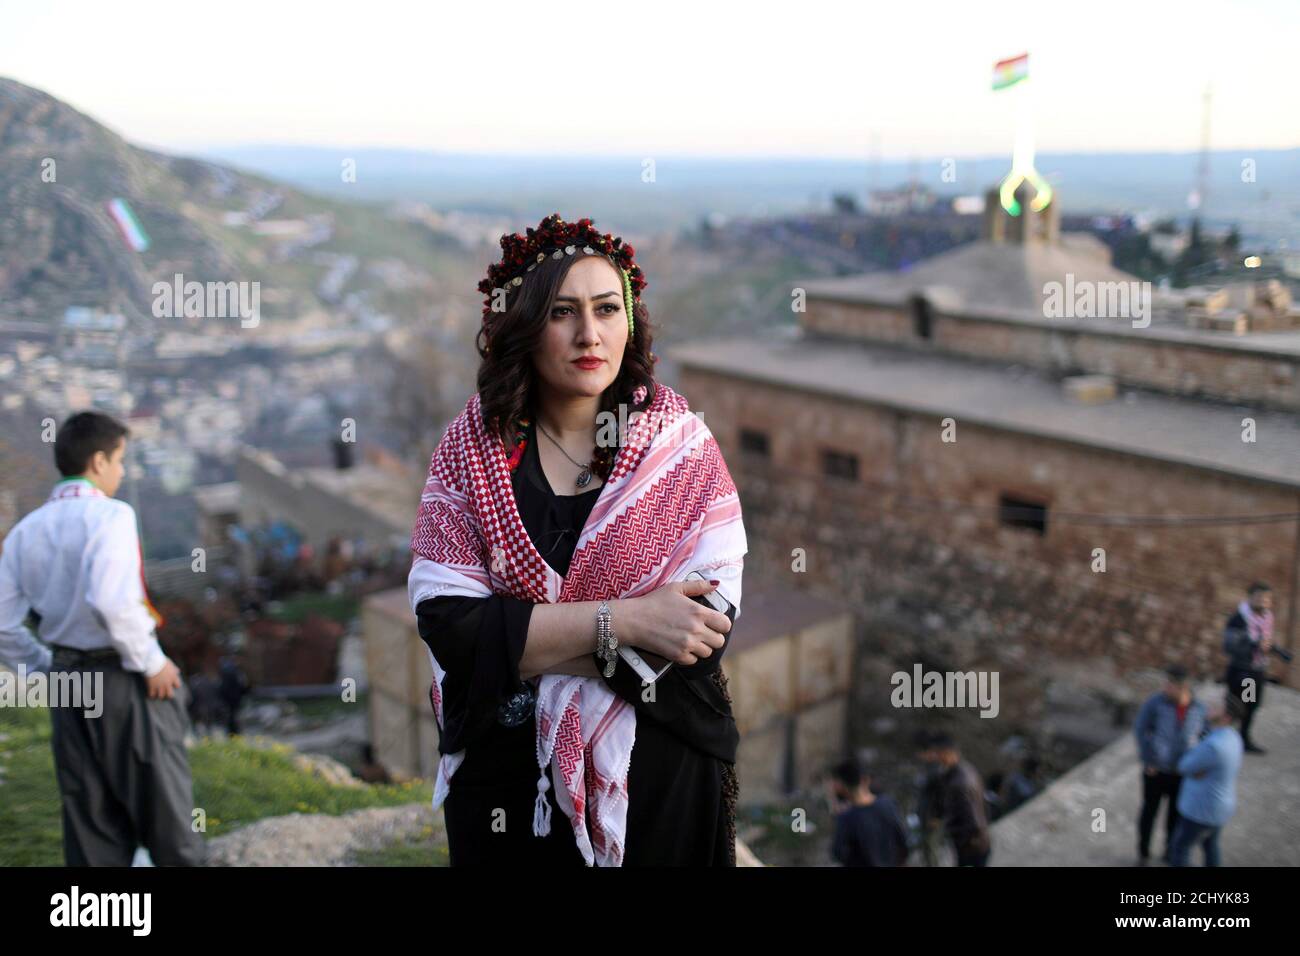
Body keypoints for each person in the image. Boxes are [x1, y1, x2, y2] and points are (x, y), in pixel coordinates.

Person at [407, 214, 748, 866]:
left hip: (662, 777)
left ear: (630, 320)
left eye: (606, 309)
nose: (589, 334)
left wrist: (519, 646)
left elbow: (699, 631)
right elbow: (449, 626)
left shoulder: (679, 447)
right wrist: (628, 620)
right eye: (562, 312)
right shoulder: (469, 451)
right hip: (511, 786)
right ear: (523, 325)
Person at [0, 411, 204, 866]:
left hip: (66, 679)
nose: (123, 471)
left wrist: (41, 669)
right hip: (121, 677)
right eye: (120, 460)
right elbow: (112, 603)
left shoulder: (23, 532)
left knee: (90, 821)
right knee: (166, 814)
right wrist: (152, 662)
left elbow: (3, 624)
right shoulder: (111, 516)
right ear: (97, 461)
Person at [1133, 664, 1206, 865]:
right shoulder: (1155, 704)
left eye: (1170, 685)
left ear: (1182, 687)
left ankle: (1168, 851)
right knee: (1149, 812)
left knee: (1175, 816)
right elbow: (1140, 729)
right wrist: (1148, 759)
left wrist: (1198, 764)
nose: (1165, 688)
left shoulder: (1198, 709)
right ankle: (1143, 852)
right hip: (1156, 770)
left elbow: (1204, 735)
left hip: (1182, 772)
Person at [1168, 699, 1244, 867]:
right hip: (1221, 806)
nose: (1210, 709)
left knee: (1180, 848)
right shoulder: (1234, 737)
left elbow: (1184, 766)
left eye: (1216, 708)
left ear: (1226, 718)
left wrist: (1195, 766)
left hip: (1202, 808)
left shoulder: (1213, 746)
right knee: (1210, 845)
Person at [827, 757, 909, 866]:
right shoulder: (888, 804)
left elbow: (839, 853)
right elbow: (903, 841)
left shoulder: (847, 818)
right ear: (865, 780)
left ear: (841, 786)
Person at [1223, 583, 1274, 754]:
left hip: (1257, 669)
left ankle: (1242, 738)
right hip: (1243, 671)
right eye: (1259, 597)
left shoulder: (1267, 619)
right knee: (1239, 704)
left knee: (1251, 705)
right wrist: (1254, 646)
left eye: (1266, 598)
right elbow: (1230, 646)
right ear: (1250, 597)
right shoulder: (1239, 619)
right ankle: (1228, 738)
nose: (1263, 602)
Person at [930, 734, 992, 866]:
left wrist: (965, 839)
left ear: (948, 753)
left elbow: (971, 818)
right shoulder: (965, 770)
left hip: (972, 846)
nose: (937, 758)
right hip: (975, 842)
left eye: (939, 754)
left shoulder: (959, 782)